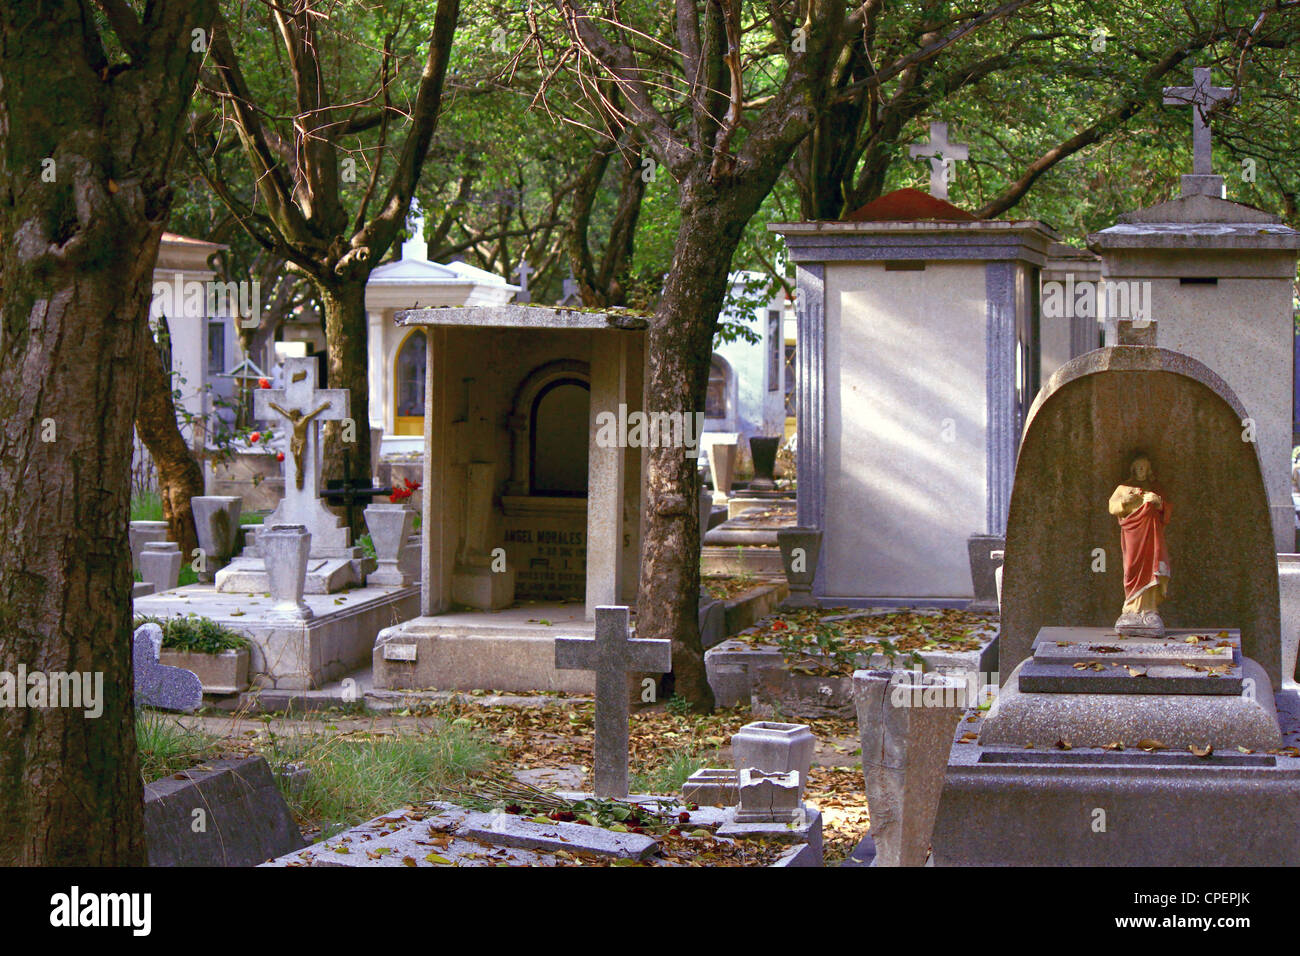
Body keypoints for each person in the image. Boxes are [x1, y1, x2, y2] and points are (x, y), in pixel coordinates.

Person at [1107, 454, 1171, 635]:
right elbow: (1112, 507)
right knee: (1131, 568)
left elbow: (1166, 510)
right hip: (1132, 535)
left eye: (1145, 467)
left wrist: (1158, 502)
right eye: (1139, 467)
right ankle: (1131, 609)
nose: (1142, 470)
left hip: (1151, 536)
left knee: (1151, 567)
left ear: (1149, 470)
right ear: (1133, 469)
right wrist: (1126, 501)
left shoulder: (1155, 489)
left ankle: (1149, 609)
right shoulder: (1124, 488)